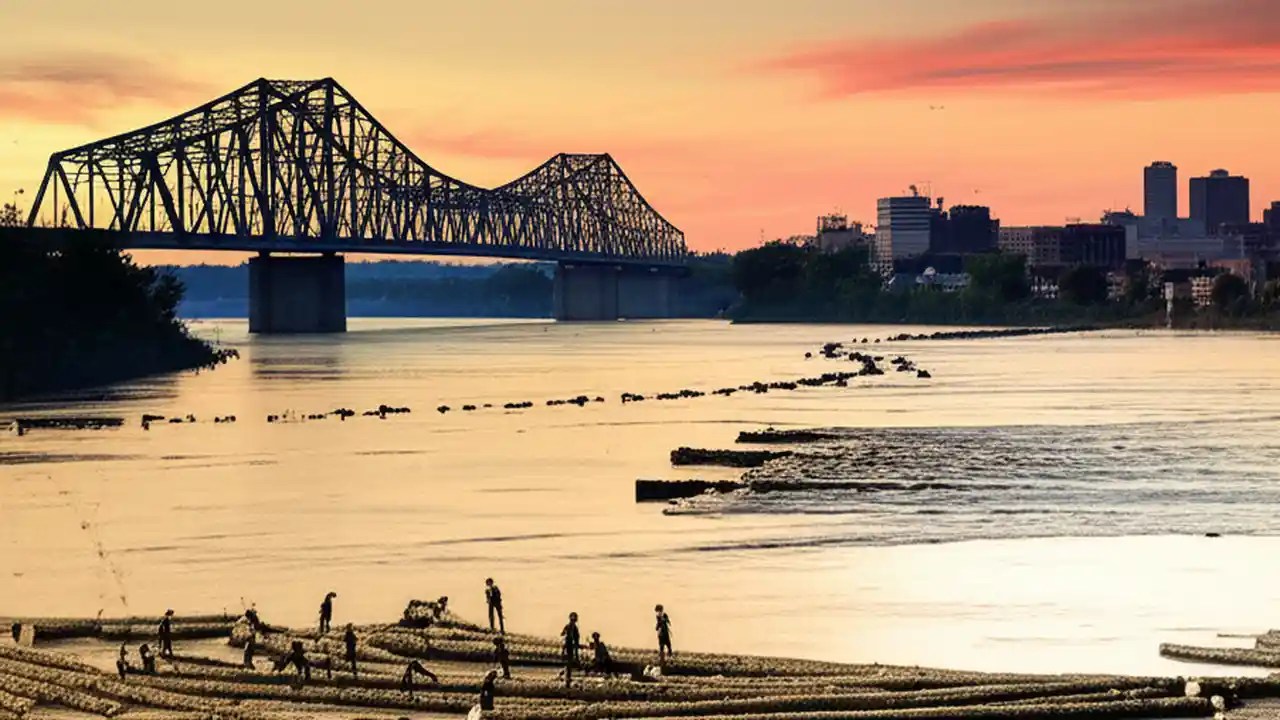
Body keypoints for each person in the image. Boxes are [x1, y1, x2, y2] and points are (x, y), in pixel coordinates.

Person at [560, 612, 581, 688]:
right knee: (569, 664)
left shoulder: (572, 628)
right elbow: (563, 635)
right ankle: (566, 679)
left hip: (569, 647)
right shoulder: (571, 627)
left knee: (569, 664)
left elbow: (563, 635)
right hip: (568, 647)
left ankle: (565, 677)